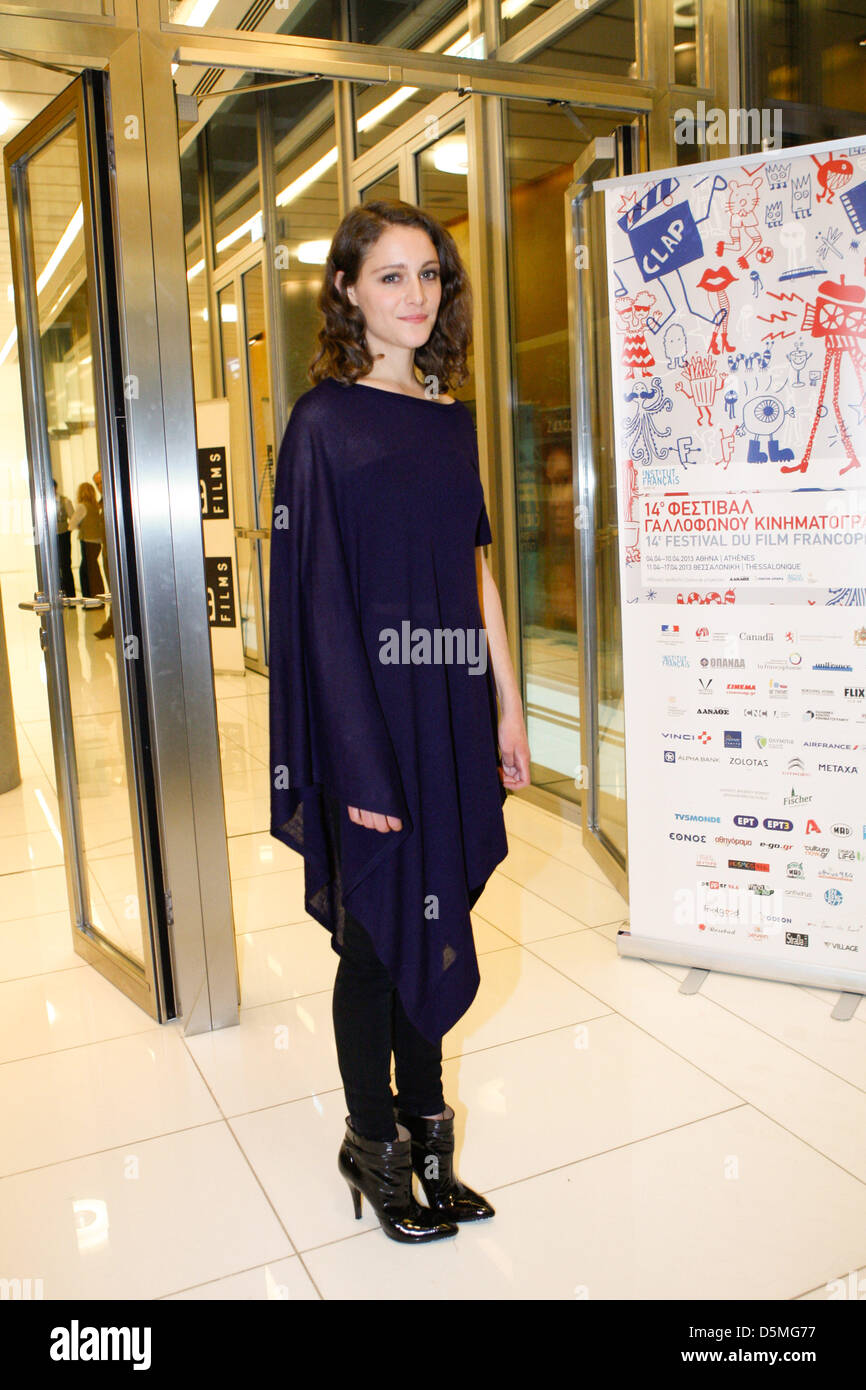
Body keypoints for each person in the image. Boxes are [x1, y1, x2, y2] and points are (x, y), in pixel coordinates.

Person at [269, 199, 531, 1245]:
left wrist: (505, 705)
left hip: (447, 708)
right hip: (364, 721)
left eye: (428, 275)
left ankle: (432, 1141)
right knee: (376, 943)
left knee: (437, 916)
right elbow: (315, 606)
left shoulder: (448, 415)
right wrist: (361, 767)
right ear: (345, 291)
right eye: (390, 276)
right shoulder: (322, 423)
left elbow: (473, 573)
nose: (415, 295)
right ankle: (371, 1145)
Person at [69, 482, 105, 605]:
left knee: (87, 571)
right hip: (97, 542)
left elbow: (72, 524)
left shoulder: (82, 507)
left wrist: (81, 527)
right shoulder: (95, 506)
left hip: (87, 541)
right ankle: (98, 596)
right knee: (94, 569)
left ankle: (91, 599)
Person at [53, 479, 76, 598]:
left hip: (63, 535)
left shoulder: (65, 501)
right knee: (55, 566)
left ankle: (70, 595)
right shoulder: (45, 502)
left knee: (66, 565)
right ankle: (60, 595)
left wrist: (68, 530)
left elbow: (73, 517)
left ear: (55, 488)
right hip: (51, 537)